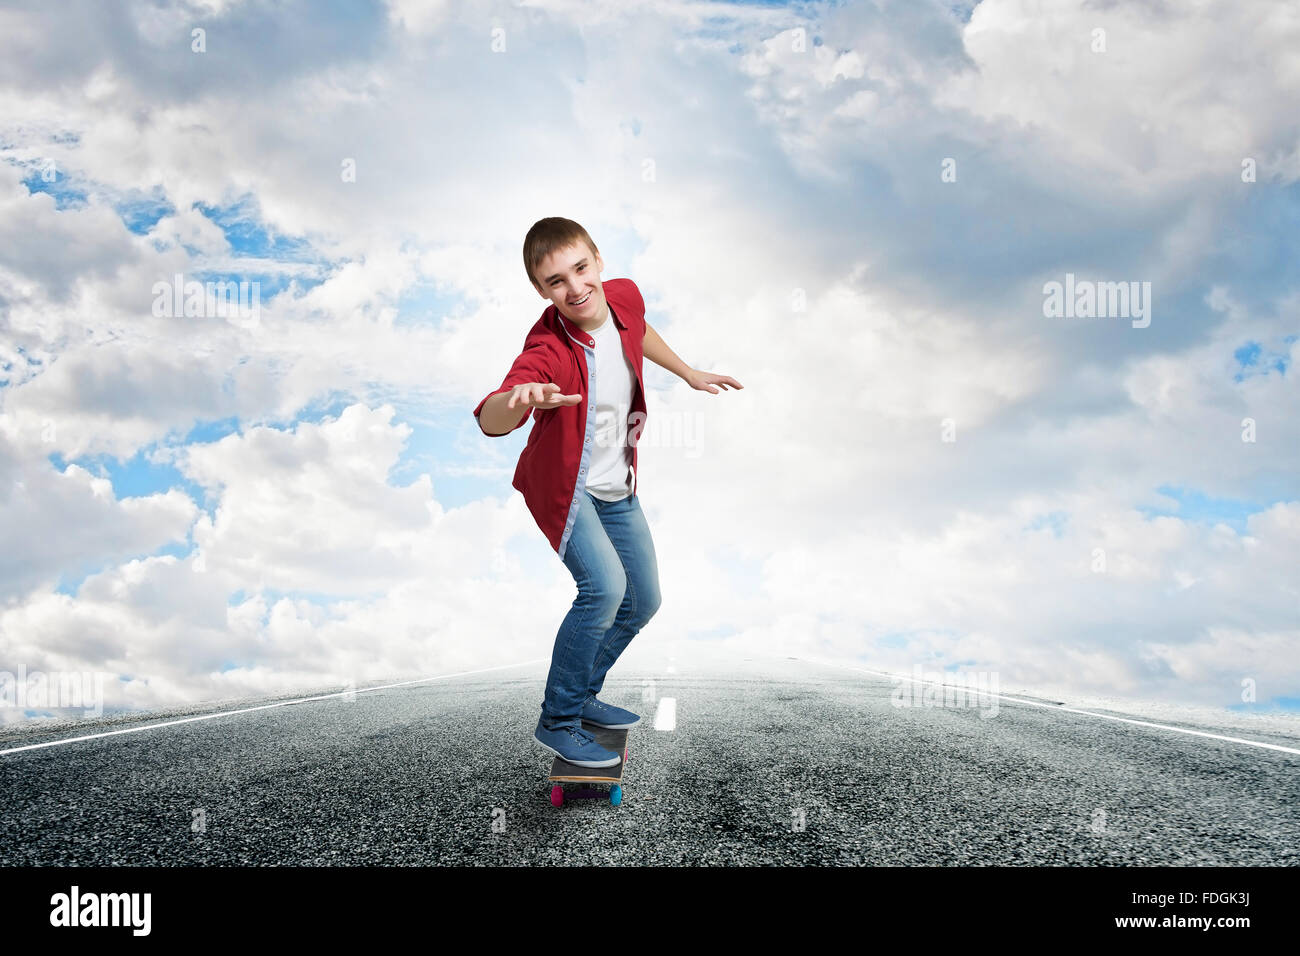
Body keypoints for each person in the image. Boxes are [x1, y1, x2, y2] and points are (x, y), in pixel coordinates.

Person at [473, 217, 743, 767]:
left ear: (598, 260)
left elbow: (637, 329)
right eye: (555, 282)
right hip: (566, 489)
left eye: (580, 269)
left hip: (618, 485)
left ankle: (585, 693)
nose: (574, 289)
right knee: (604, 589)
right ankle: (560, 718)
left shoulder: (624, 295)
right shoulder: (547, 347)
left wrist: (688, 372)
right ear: (540, 291)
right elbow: (491, 418)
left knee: (643, 599)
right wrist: (519, 398)